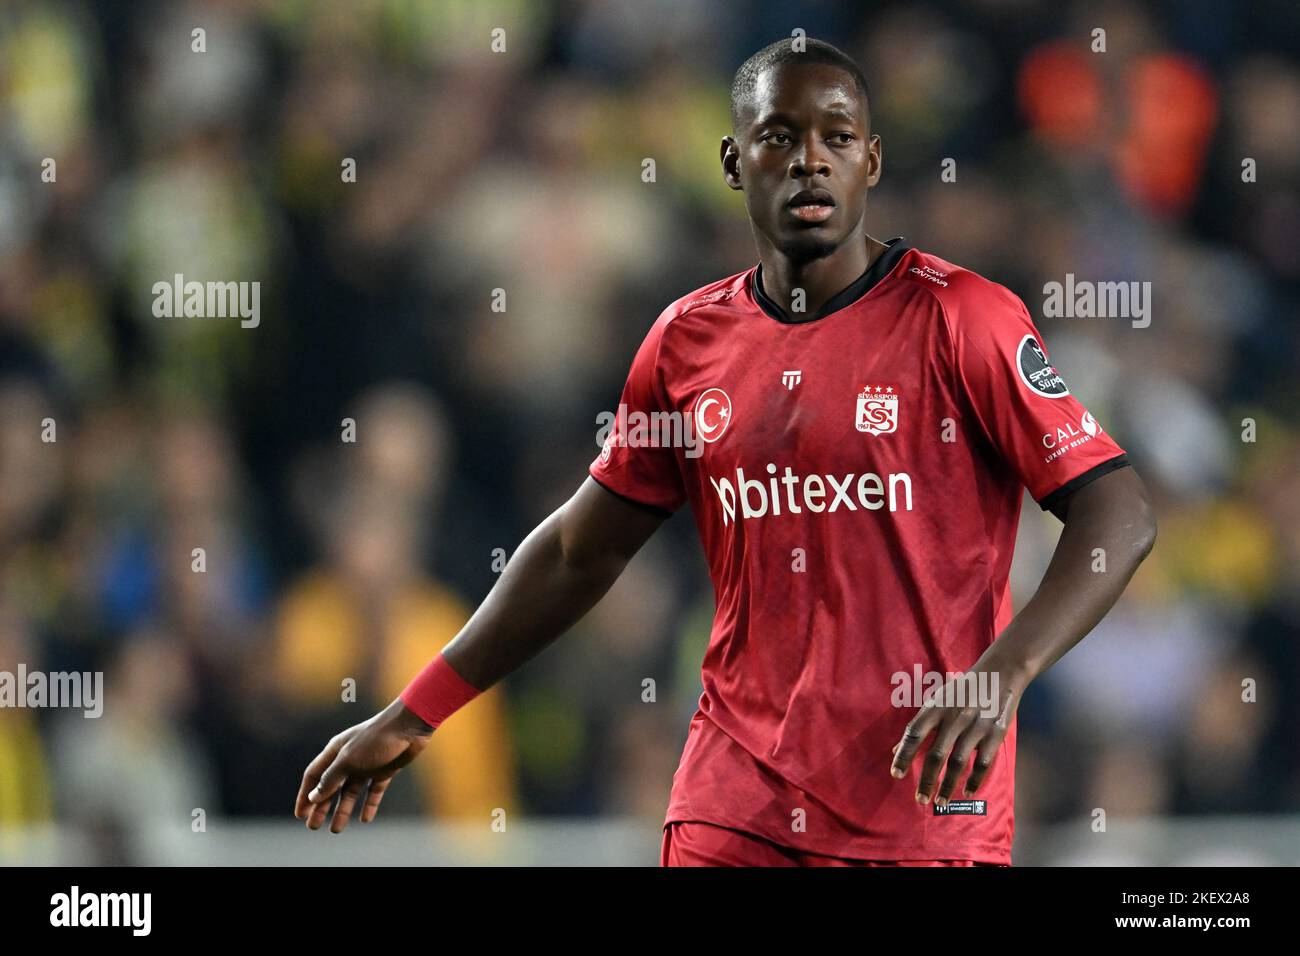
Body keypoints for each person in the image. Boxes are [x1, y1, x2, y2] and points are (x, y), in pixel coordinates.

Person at [293, 37, 1157, 867]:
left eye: (838, 138)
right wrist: (418, 710)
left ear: (873, 161)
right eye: (780, 137)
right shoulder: (685, 344)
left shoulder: (963, 319)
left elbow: (1116, 508)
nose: (811, 160)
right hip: (732, 808)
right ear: (734, 162)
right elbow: (577, 550)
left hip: (919, 808)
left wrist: (1004, 672)